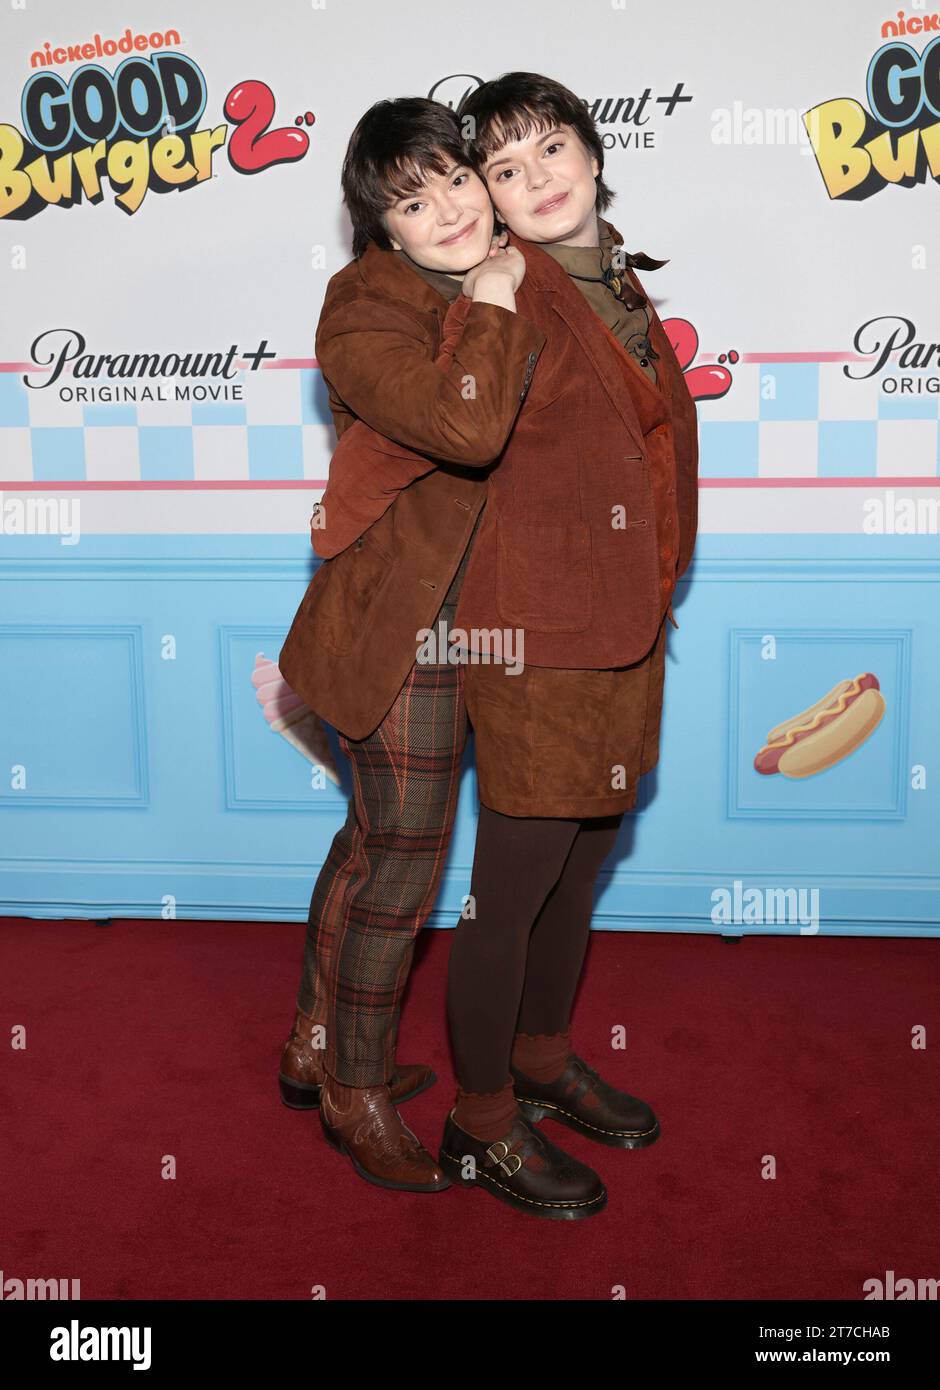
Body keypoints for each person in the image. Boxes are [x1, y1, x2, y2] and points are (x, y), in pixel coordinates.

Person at [316, 72, 700, 1218]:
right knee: (496, 887)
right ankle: (480, 1120)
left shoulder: (611, 273)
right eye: (504, 167)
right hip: (528, 632)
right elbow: (449, 436)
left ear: (592, 150)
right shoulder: (484, 292)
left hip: (626, 621)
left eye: (548, 154)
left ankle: (538, 1055)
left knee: (579, 871)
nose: (525, 185)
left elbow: (651, 448)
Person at [277, 97, 546, 1193]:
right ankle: (355, 1093)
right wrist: (491, 298)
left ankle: (311, 1037)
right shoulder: (361, 309)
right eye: (410, 200)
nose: (444, 210)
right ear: (379, 229)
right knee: (401, 866)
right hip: (403, 627)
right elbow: (468, 425)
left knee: (371, 841)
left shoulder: (513, 269)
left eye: (454, 180)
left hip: (483, 612)